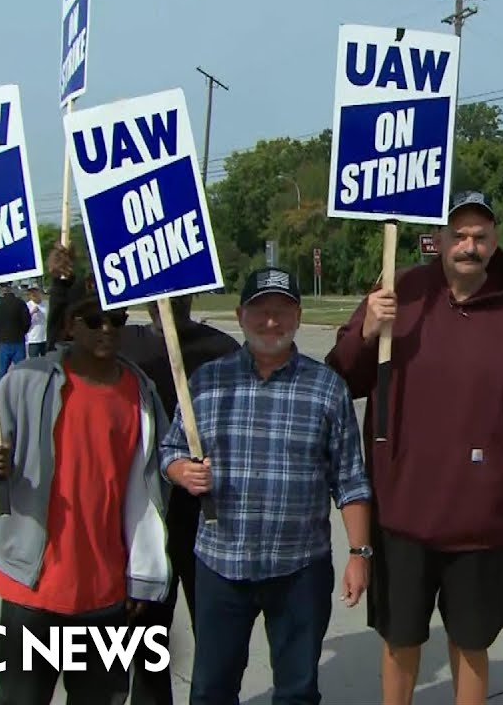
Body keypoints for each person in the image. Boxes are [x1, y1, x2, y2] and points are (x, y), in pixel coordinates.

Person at [325, 191, 503, 705]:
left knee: (471, 642)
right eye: (459, 235)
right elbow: (341, 377)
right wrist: (366, 327)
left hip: (477, 521)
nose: (469, 246)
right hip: (401, 512)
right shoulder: (401, 291)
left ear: (496, 242)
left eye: (480, 236)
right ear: (439, 240)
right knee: (400, 640)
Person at [162, 266, 372, 705]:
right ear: (240, 315)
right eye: (261, 311)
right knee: (211, 690)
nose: (271, 322)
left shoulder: (326, 388)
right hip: (221, 563)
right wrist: (181, 469)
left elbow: (350, 480)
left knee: (297, 691)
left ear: (297, 316)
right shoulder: (204, 382)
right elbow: (169, 449)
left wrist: (359, 554)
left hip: (300, 568)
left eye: (282, 311)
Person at [43, 243, 240, 705]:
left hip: (210, 514)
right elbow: (61, 346)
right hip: (148, 514)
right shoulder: (122, 344)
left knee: (215, 632)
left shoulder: (223, 349)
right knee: (148, 634)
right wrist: (62, 285)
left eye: (180, 292)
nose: (168, 302)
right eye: (158, 293)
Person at [0, 284, 172, 705]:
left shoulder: (142, 394)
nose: (107, 329)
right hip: (33, 587)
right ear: (68, 326)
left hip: (106, 594)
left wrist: (144, 573)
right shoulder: (27, 380)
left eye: (116, 319)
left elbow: (151, 487)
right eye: (93, 320)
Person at [0, 283, 31, 378]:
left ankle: (2, 390)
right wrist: (22, 332)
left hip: (4, 342)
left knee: (3, 371)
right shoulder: (20, 303)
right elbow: (27, 321)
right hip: (18, 340)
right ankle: (22, 391)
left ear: (2, 291)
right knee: (22, 371)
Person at [26, 286, 48, 358]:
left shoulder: (46, 304)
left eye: (35, 291)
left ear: (39, 292)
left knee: (47, 361)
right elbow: (24, 321)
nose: (33, 294)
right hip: (33, 339)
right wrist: (32, 313)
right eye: (31, 292)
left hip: (45, 338)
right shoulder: (27, 305)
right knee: (33, 362)